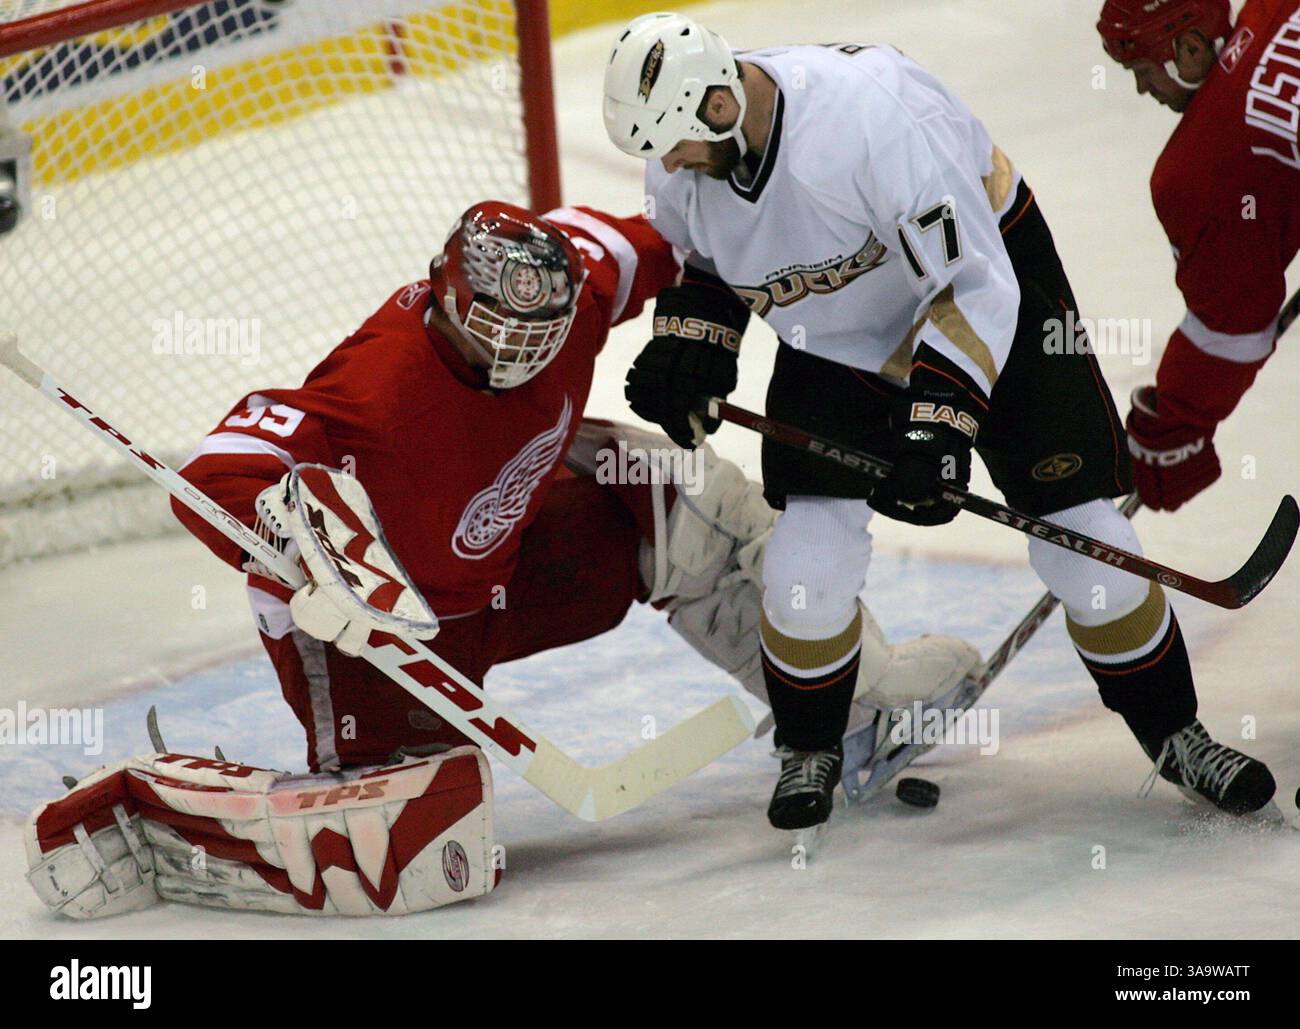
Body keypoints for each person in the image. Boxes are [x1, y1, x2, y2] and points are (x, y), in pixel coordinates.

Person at [26, 200, 976, 918]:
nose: (521, 359)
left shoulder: (582, 274)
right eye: (498, 336)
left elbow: (693, 231)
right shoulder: (379, 384)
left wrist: (736, 337)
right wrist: (299, 548)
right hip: (380, 637)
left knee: (699, 501)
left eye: (541, 338)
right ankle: (153, 816)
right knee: (419, 847)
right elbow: (216, 467)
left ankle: (840, 707)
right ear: (444, 296)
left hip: (515, 564)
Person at [602, 12, 1277, 832]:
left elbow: (970, 286)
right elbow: (704, 258)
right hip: (837, 332)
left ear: (719, 105)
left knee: (1084, 544)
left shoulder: (868, 123)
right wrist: (692, 347)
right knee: (804, 567)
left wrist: (937, 426)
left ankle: (1179, 735)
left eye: (676, 144)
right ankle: (810, 745)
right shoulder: (683, 159)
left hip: (991, 281)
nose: (667, 165)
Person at [1097, 0, 1299, 511]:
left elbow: (1235, 324)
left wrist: (1177, 424)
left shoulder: (1199, 170)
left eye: (1142, 71)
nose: (1143, 89)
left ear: (1188, 49)